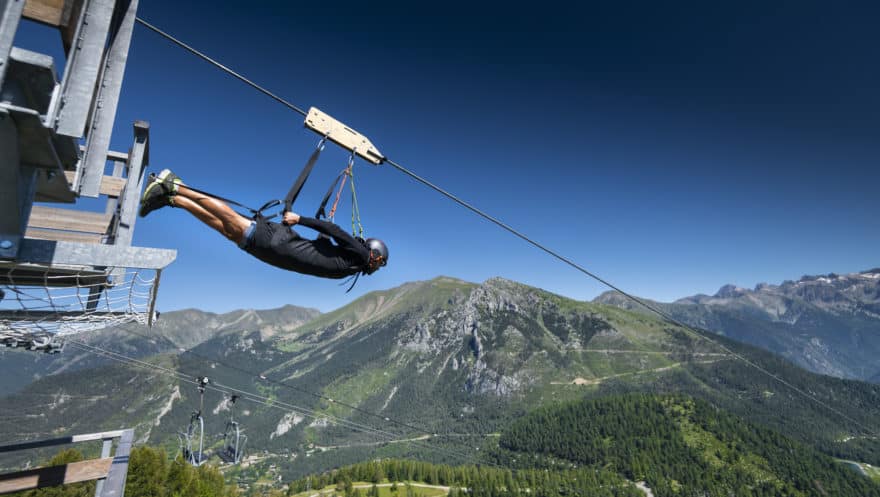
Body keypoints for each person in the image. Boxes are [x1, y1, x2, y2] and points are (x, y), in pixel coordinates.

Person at [139, 169, 388, 279]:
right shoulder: (362, 256)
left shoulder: (351, 265)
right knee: (231, 221)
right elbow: (334, 231)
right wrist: (300, 219)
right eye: (379, 262)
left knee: (226, 229)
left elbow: (324, 247)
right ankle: (175, 184)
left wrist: (319, 226)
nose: (376, 268)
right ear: (373, 253)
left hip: (275, 252)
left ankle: (172, 198)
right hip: (278, 244)